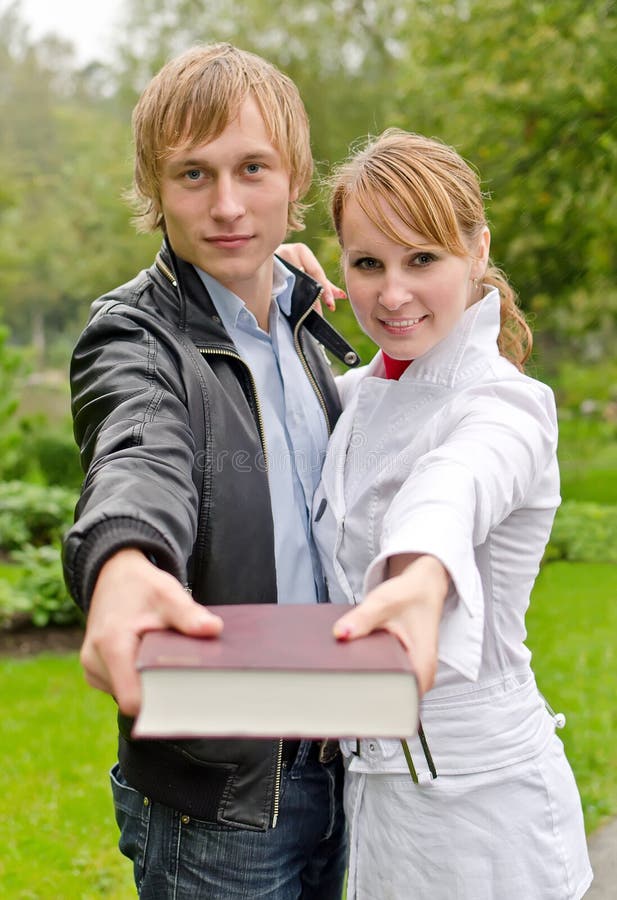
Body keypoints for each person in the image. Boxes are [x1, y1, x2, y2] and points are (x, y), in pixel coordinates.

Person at [62, 42, 360, 899]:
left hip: (338, 757)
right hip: (221, 798)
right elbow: (137, 448)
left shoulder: (304, 318)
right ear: (154, 190)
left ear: (293, 176)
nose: (227, 206)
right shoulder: (134, 335)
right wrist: (123, 566)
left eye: (252, 168)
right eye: (193, 175)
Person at [311, 129, 593, 899]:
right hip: (374, 800)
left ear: (477, 251)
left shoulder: (505, 401)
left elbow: (455, 480)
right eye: (367, 263)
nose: (392, 293)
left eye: (421, 259)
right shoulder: (354, 394)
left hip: (483, 814)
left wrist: (419, 571)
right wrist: (270, 297)